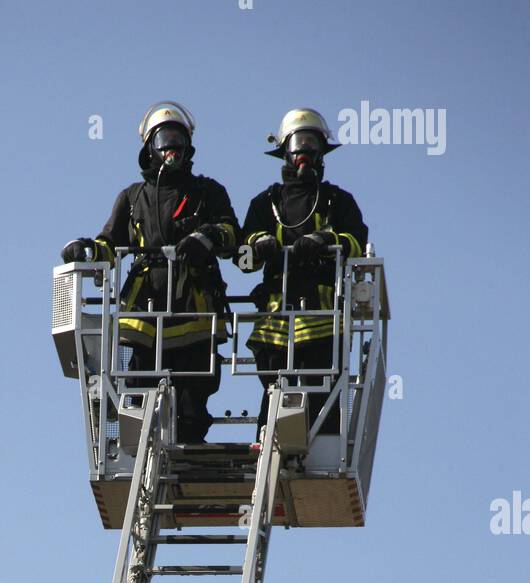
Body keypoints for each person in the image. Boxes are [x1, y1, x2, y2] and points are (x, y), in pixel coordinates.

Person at [61, 102, 241, 444]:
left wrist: (206, 238)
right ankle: (143, 446)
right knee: (140, 392)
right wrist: (86, 250)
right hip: (145, 311)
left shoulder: (208, 192)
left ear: (189, 147)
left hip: (195, 308)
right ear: (150, 149)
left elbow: (232, 233)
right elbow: (109, 244)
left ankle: (187, 449)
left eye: (177, 139)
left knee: (192, 398)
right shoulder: (133, 197)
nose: (171, 148)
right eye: (164, 140)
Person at [237, 108, 368, 436]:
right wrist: (259, 242)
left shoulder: (337, 201)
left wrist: (327, 239)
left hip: (324, 315)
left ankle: (323, 447)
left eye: (312, 145)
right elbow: (241, 256)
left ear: (322, 153)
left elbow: (357, 242)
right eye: (299, 145)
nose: (305, 153)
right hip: (276, 316)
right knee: (274, 388)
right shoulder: (266, 202)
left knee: (322, 387)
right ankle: (267, 440)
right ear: (285, 151)